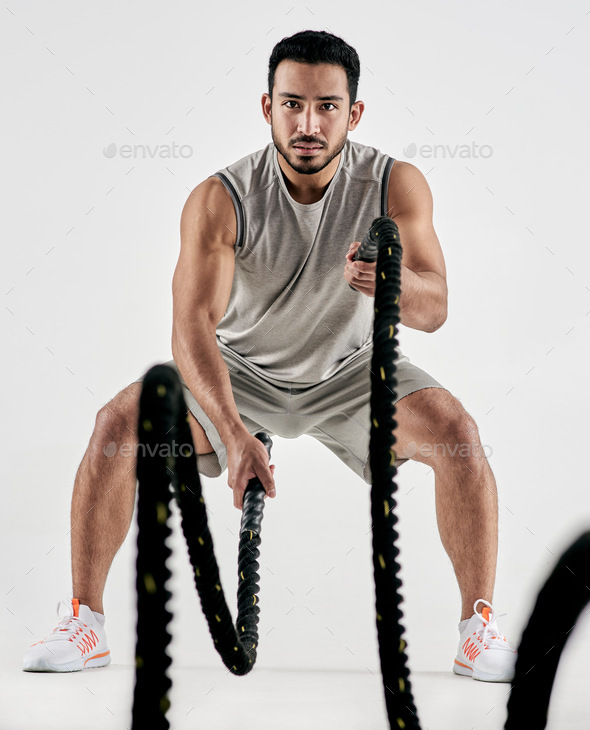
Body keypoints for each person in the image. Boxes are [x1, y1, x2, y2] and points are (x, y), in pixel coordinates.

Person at [23, 29, 516, 682]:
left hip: (350, 374)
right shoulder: (221, 198)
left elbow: (437, 304)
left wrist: (391, 287)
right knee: (117, 427)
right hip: (239, 374)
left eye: (326, 107)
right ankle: (85, 622)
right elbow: (190, 325)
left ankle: (476, 631)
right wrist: (231, 429)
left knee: (459, 433)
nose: (308, 123)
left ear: (354, 113)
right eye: (292, 104)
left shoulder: (396, 185)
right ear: (267, 107)